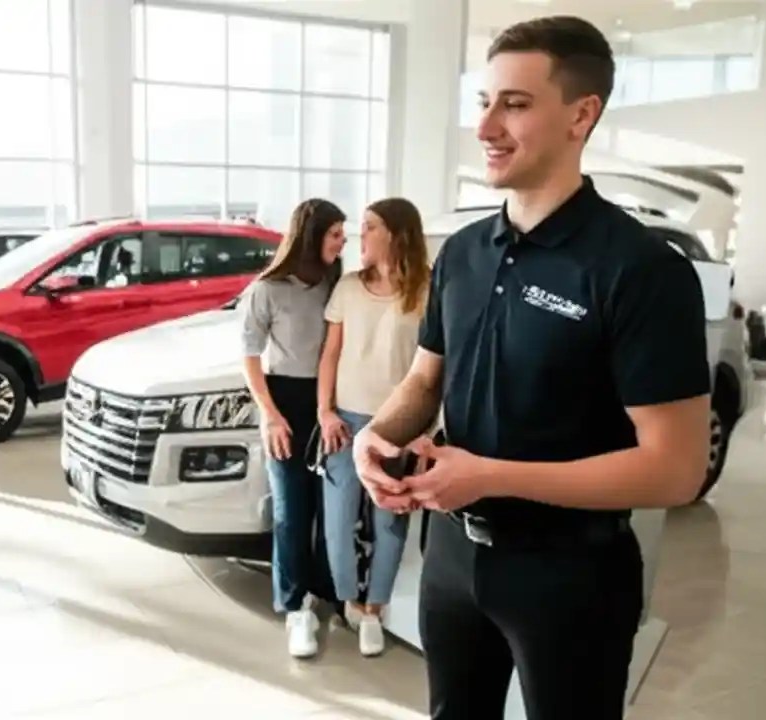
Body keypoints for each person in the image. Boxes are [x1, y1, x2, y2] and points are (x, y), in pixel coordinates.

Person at [351, 16, 711, 720]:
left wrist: (488, 475)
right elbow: (426, 380)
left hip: (571, 574)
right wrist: (376, 437)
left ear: (583, 115)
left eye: (514, 104)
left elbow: (675, 469)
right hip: (453, 559)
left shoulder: (639, 271)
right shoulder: (461, 253)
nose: (485, 125)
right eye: (483, 102)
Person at [316, 197, 430, 657]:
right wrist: (324, 412)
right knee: (339, 517)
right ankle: (349, 599)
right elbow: (330, 354)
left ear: (396, 234)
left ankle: (374, 610)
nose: (361, 235)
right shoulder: (346, 287)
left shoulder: (426, 291)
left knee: (390, 521)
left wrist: (427, 429)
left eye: (370, 227)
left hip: (397, 427)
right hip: (344, 421)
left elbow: (435, 370)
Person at [239, 198, 348, 659]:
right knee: (291, 510)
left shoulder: (337, 281)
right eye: (335, 234)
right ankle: (294, 607)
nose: (343, 242)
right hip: (285, 401)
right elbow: (249, 356)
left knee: (333, 507)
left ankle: (330, 590)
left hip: (333, 402)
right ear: (312, 234)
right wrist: (270, 414)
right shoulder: (267, 290)